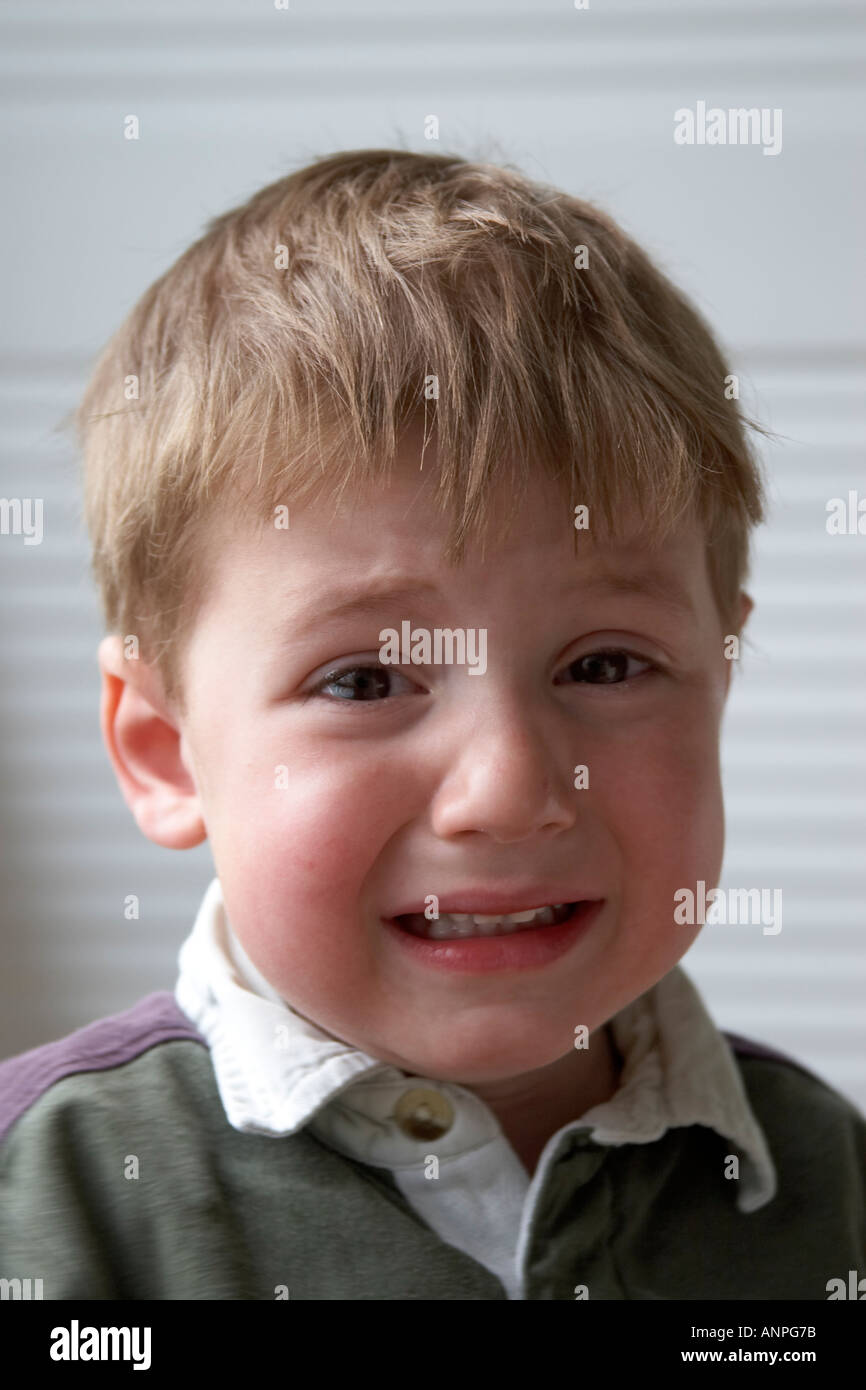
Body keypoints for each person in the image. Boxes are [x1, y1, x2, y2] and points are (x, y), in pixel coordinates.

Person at [1, 149, 863, 1300]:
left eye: (604, 663)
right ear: (163, 749)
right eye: (362, 682)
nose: (506, 789)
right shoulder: (48, 1206)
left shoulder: (827, 1183)